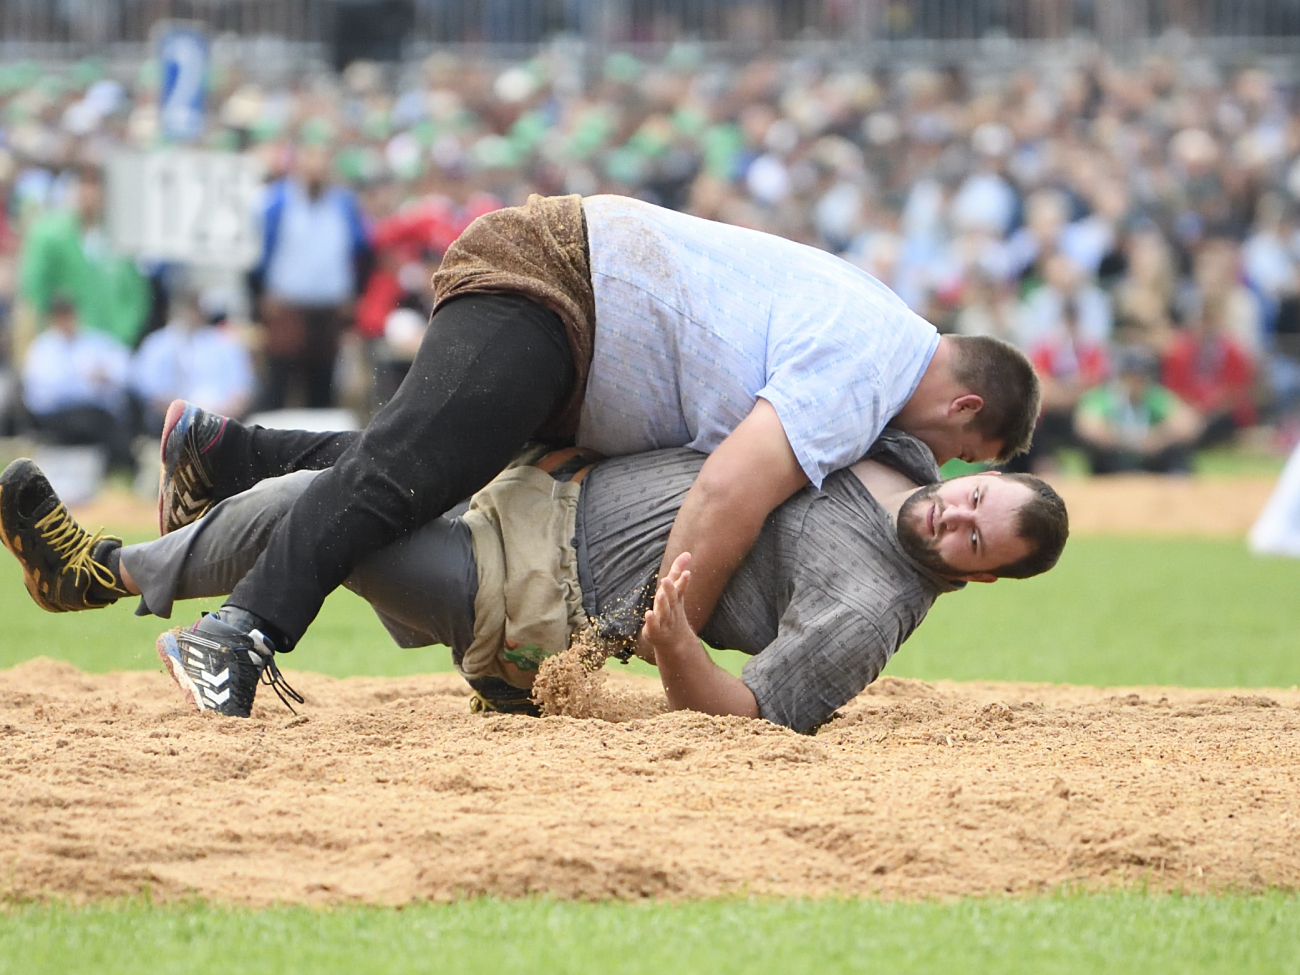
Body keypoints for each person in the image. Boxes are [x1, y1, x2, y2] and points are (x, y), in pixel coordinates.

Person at [154, 193, 1042, 714]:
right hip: (565, 292)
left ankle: (225, 455)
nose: (943, 463)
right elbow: (731, 490)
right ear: (964, 405)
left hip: (582, 323)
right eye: (963, 447)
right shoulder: (872, 371)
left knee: (434, 454)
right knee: (403, 476)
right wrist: (654, 626)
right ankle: (241, 632)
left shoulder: (880, 327)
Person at [0, 421, 1067, 734]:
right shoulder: (910, 457)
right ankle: (225, 454)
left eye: (980, 541)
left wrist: (680, 645)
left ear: (981, 579)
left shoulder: (872, 609)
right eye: (982, 501)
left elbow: (757, 715)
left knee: (315, 513)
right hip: (534, 487)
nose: (960, 520)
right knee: (381, 453)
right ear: (980, 474)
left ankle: (94, 573)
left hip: (538, 599)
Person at [250, 143, 373, 410]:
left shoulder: (343, 203)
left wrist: (355, 295)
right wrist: (259, 295)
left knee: (322, 388)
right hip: (286, 305)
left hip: (329, 308)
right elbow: (257, 252)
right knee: (278, 386)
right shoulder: (277, 201)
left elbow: (362, 249)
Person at [20, 293, 135, 476]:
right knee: (97, 420)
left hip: (96, 410)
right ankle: (120, 469)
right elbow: (47, 389)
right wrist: (86, 382)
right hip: (56, 415)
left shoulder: (93, 341)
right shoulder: (43, 349)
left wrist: (105, 376)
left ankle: (121, 469)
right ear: (53, 319)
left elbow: (123, 367)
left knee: (117, 414)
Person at [1074, 348, 1203, 475]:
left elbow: (1189, 424)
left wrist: (1157, 439)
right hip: (1116, 457)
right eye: (1130, 377)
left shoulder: (1154, 397)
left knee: (1175, 452)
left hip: (1151, 456)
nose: (1135, 383)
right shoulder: (1105, 397)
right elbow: (1087, 426)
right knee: (1100, 452)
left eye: (1140, 378)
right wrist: (1124, 441)